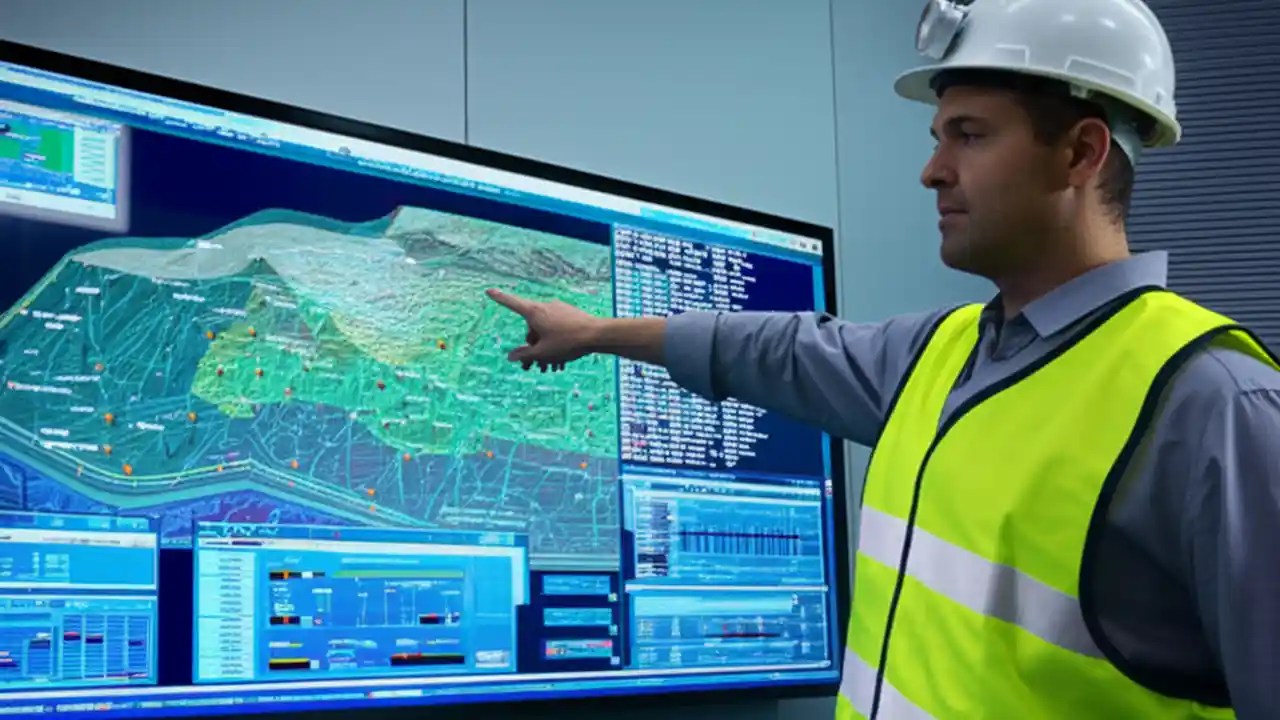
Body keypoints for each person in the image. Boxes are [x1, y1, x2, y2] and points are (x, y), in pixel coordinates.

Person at [487, 0, 1280, 718]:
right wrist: (595, 332)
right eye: (938, 139)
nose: (933, 170)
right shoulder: (940, 353)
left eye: (969, 135)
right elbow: (779, 349)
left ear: (1079, 153)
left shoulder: (1213, 406)